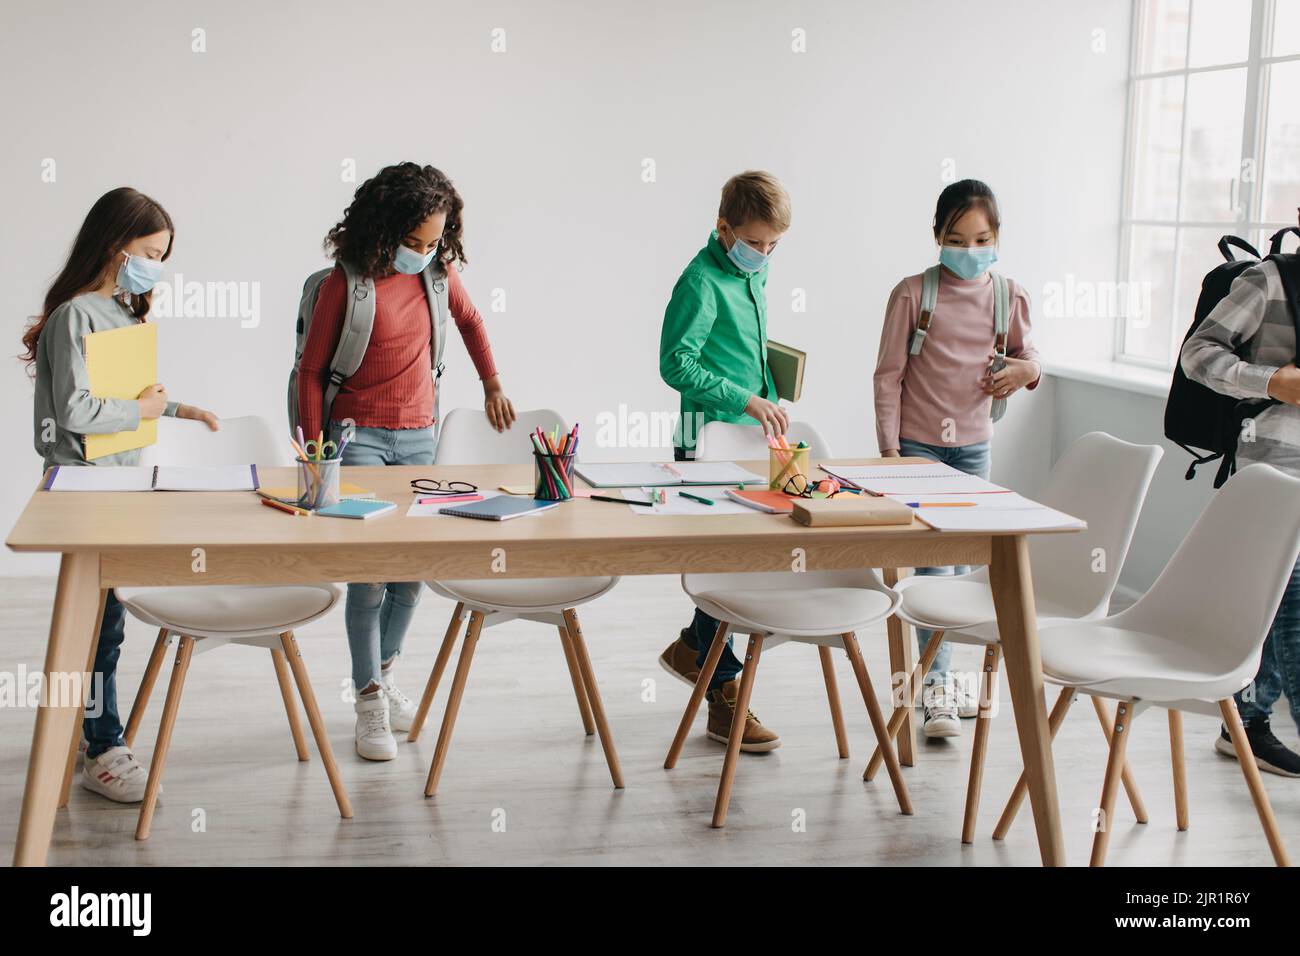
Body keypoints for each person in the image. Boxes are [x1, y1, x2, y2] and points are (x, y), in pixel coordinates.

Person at [297, 162, 516, 761]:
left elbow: (472, 323)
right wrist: (317, 453)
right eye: (412, 242)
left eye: (432, 243)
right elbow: (313, 372)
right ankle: (367, 699)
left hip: (420, 439)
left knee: (411, 575)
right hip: (356, 440)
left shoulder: (439, 277)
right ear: (381, 228)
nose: (423, 253)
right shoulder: (347, 284)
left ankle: (384, 673)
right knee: (368, 578)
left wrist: (493, 385)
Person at [22, 186, 219, 801]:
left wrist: (177, 408)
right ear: (114, 245)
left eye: (162, 256)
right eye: (150, 252)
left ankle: (93, 737)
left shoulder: (124, 312)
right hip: (84, 488)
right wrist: (142, 408)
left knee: (107, 625)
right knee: (96, 628)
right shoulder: (75, 315)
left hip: (121, 481)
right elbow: (76, 410)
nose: (155, 266)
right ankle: (102, 749)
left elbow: (136, 397)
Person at [872, 179, 1041, 738]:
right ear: (937, 235)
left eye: (982, 239)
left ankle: (940, 679)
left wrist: (1025, 371)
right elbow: (888, 377)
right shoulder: (912, 295)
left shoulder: (1007, 296)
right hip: (919, 450)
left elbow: (1028, 356)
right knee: (932, 571)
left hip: (975, 450)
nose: (969, 251)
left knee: (966, 572)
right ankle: (937, 694)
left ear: (998, 237)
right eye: (957, 239)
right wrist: (891, 452)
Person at [656, 170, 790, 753]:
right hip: (706, 443)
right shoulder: (700, 282)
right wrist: (745, 398)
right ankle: (726, 692)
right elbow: (676, 364)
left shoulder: (751, 276)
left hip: (748, 443)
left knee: (748, 559)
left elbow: (737, 351)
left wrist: (771, 380)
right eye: (755, 242)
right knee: (726, 565)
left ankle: (695, 647)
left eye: (772, 246)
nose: (762, 255)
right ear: (724, 227)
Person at [1180, 207, 1300, 777]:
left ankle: (1246, 723)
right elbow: (1198, 355)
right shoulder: (1269, 281)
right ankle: (1248, 725)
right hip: (1273, 476)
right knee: (1293, 616)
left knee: (1276, 611)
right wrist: (1270, 381)